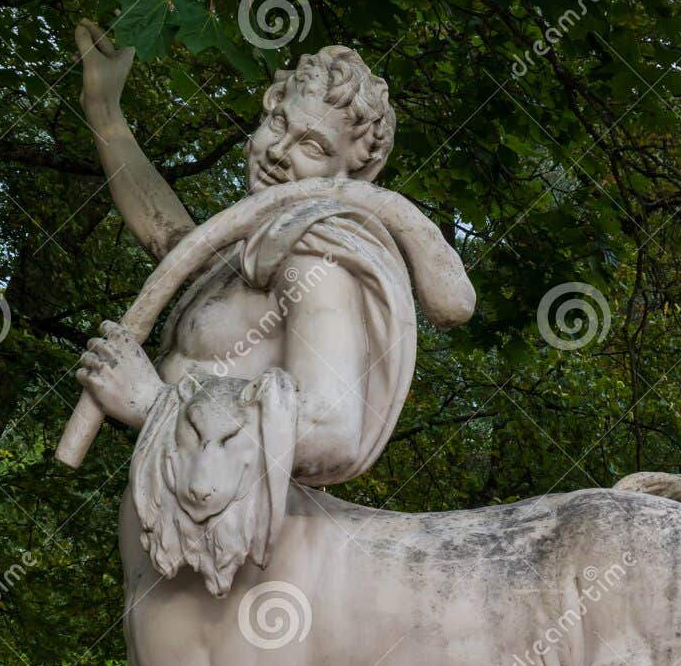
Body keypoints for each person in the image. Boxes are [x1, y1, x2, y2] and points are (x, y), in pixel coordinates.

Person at [73, 24, 473, 483]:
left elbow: (332, 431)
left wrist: (148, 402)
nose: (279, 151)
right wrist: (104, 112)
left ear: (350, 175)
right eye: (279, 123)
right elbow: (171, 241)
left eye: (311, 146)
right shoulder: (250, 251)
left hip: (239, 539)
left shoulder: (315, 263)